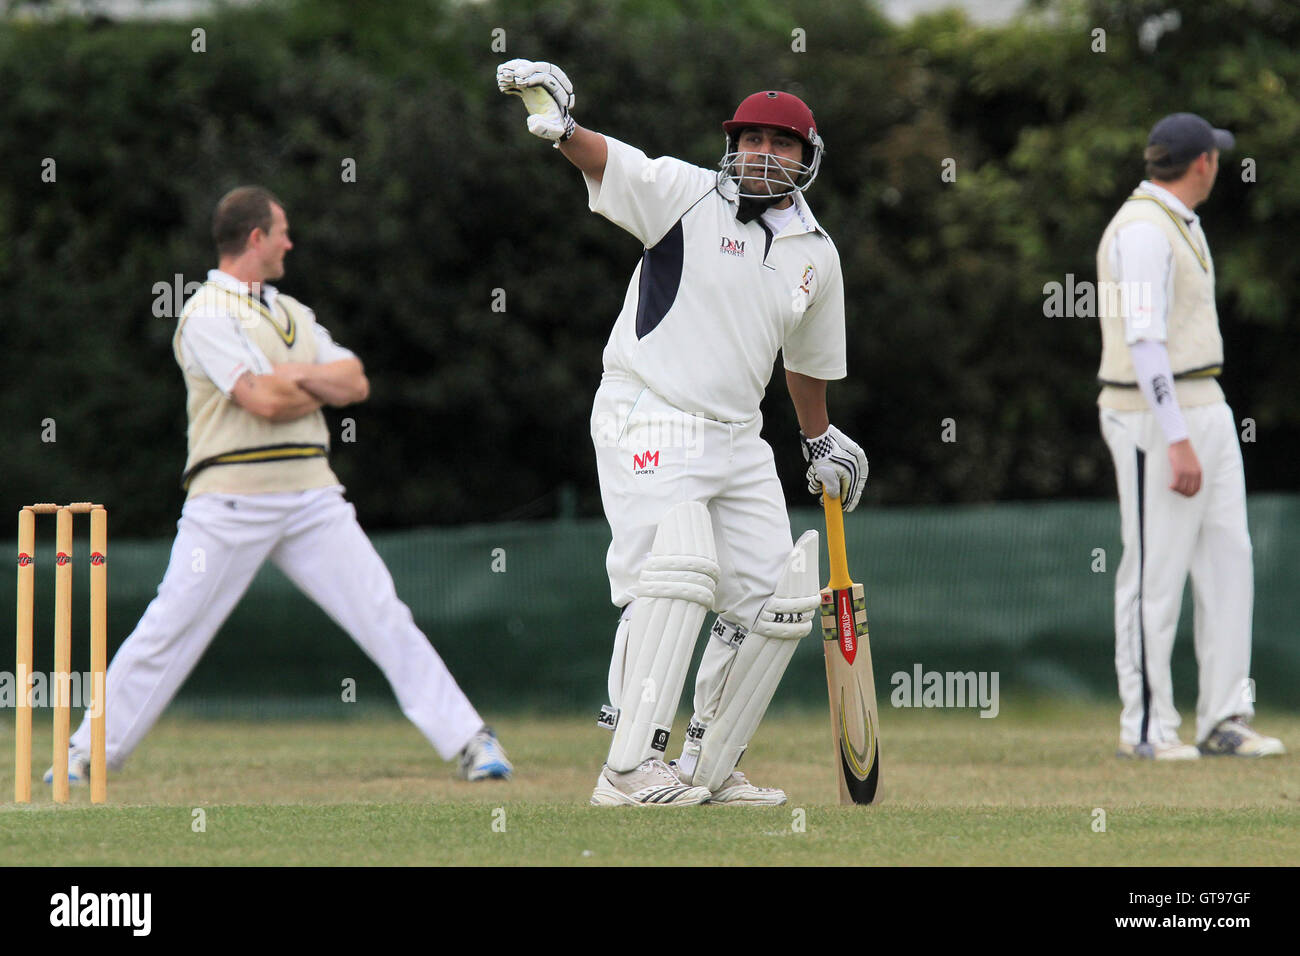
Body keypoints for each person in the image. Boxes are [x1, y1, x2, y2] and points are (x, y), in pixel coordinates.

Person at [51, 186, 512, 787]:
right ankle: (86, 753)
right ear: (255, 238)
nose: (291, 243)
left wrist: (296, 374)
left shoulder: (294, 312)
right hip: (229, 498)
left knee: (383, 613)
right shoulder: (205, 312)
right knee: (170, 626)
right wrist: (309, 384)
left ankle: (471, 741)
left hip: (312, 494)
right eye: (283, 231)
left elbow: (356, 383)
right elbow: (263, 401)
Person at [498, 60, 867, 805]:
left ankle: (706, 766)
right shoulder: (684, 191)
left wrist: (819, 439)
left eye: (782, 143)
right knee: (677, 569)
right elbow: (609, 158)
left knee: (775, 599)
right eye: (752, 138)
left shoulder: (816, 254)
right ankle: (629, 766)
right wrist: (566, 128)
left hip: (738, 434)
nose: (765, 152)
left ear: (807, 156)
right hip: (650, 409)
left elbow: (806, 364)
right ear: (732, 146)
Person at [1096, 113, 1283, 759]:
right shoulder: (1145, 229)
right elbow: (1144, 341)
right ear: (1203, 162)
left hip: (1206, 401)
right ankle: (1147, 729)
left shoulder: (1176, 222)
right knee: (1155, 571)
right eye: (1217, 158)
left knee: (1229, 560)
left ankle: (1223, 718)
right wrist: (1175, 436)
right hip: (1153, 413)